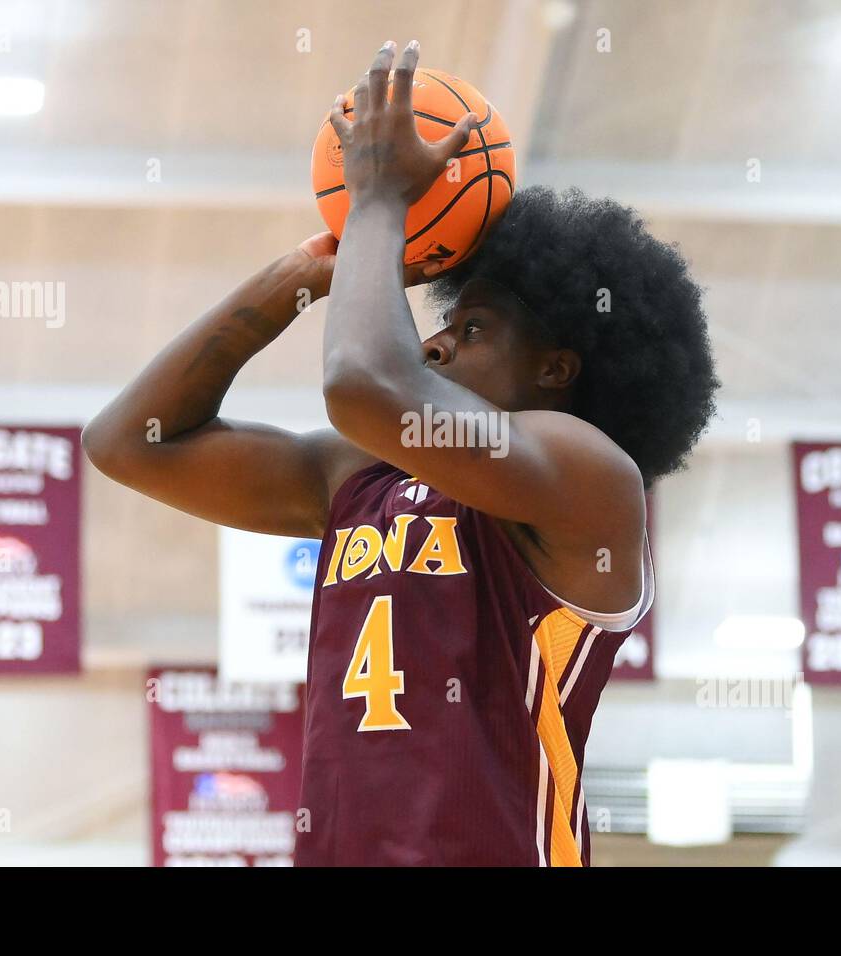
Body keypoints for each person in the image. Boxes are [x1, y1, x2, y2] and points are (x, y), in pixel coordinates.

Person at [83, 40, 718, 865]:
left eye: (474, 327)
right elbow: (129, 443)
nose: (437, 346)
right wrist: (287, 284)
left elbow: (364, 383)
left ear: (556, 368)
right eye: (445, 322)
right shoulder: (360, 479)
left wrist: (380, 201)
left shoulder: (588, 477)